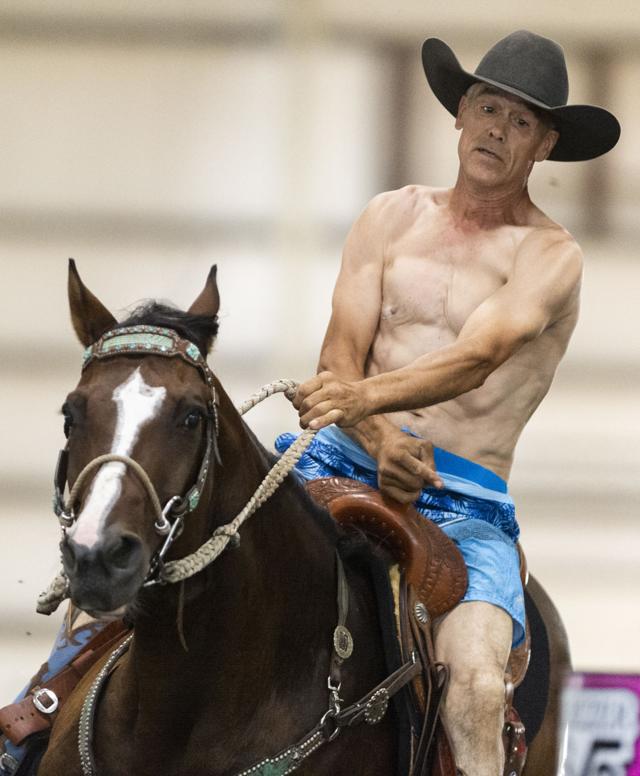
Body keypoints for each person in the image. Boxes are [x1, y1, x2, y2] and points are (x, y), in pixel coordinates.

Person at [277, 30, 620, 776]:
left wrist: (359, 398)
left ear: (545, 146)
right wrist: (381, 441)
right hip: (336, 458)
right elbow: (340, 354)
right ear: (460, 112)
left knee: (475, 685)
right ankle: (41, 720)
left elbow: (478, 355)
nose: (498, 129)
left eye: (522, 121)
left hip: (464, 505)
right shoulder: (387, 217)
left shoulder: (550, 255)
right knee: (178, 553)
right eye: (488, 107)